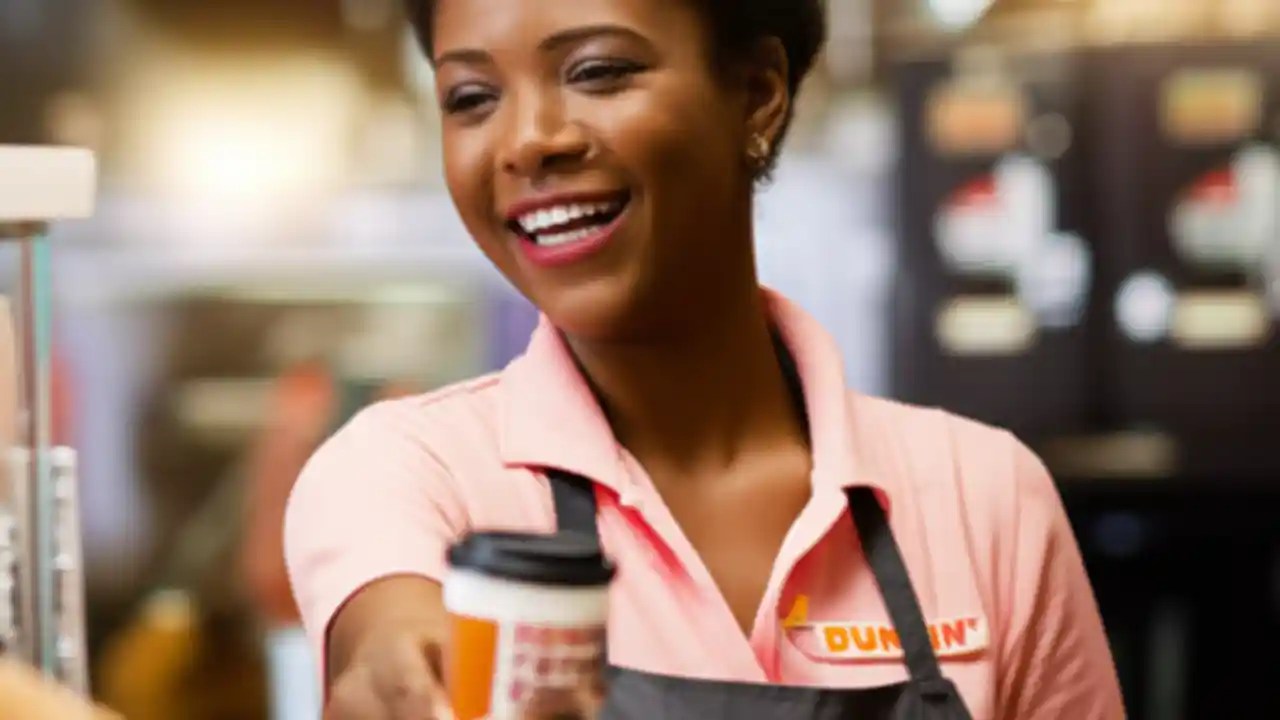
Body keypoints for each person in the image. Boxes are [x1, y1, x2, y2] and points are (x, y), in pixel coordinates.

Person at [285, 0, 1126, 718]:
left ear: (757, 94)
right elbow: (391, 634)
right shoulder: (408, 472)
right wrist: (402, 670)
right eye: (471, 97)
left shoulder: (987, 498)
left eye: (597, 71)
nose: (527, 142)